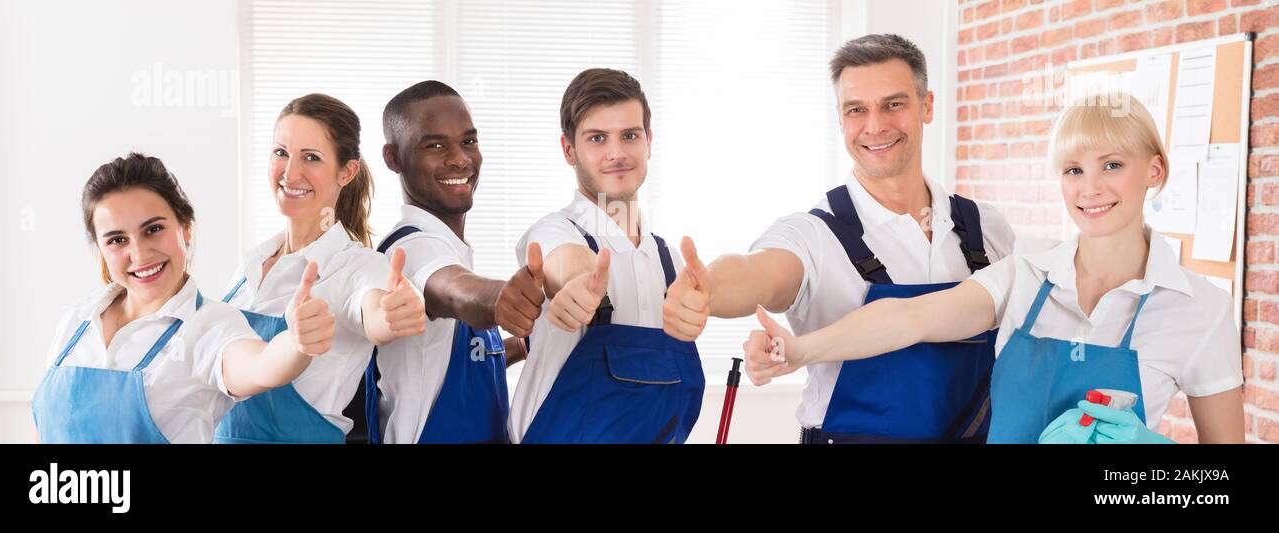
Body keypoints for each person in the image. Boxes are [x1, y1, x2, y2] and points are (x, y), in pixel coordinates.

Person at [744, 93, 1246, 444]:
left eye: (1112, 165)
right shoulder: (1026, 273)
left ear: (1154, 170)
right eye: (1074, 169)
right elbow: (911, 318)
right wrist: (802, 350)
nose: (1090, 188)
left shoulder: (1200, 308)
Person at [663, 34, 1015, 443]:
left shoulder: (987, 230)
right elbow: (756, 272)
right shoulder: (813, 235)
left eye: (893, 104)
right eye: (856, 110)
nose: (875, 125)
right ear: (841, 119)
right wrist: (709, 290)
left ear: (927, 106)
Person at [35, 153, 336, 443]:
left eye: (153, 229)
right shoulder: (76, 321)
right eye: (117, 240)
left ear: (185, 228)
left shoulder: (207, 326)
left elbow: (261, 365)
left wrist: (296, 344)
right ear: (100, 249)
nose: (139, 253)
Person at [216, 94, 427, 444]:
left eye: (311, 158)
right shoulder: (249, 265)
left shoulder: (355, 267)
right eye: (281, 152)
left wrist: (392, 314)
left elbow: (374, 311)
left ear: (346, 172)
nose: (290, 172)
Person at [509, 68, 704, 444]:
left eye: (629, 136)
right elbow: (565, 264)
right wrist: (577, 287)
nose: (617, 153)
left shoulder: (670, 262)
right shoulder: (556, 231)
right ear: (569, 150)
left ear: (649, 141)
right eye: (597, 138)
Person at [362, 80, 538, 444]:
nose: (460, 158)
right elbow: (459, 293)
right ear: (393, 158)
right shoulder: (410, 251)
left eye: (468, 141)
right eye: (435, 145)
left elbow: (439, 366)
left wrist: (519, 347)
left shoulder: (450, 248)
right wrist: (505, 296)